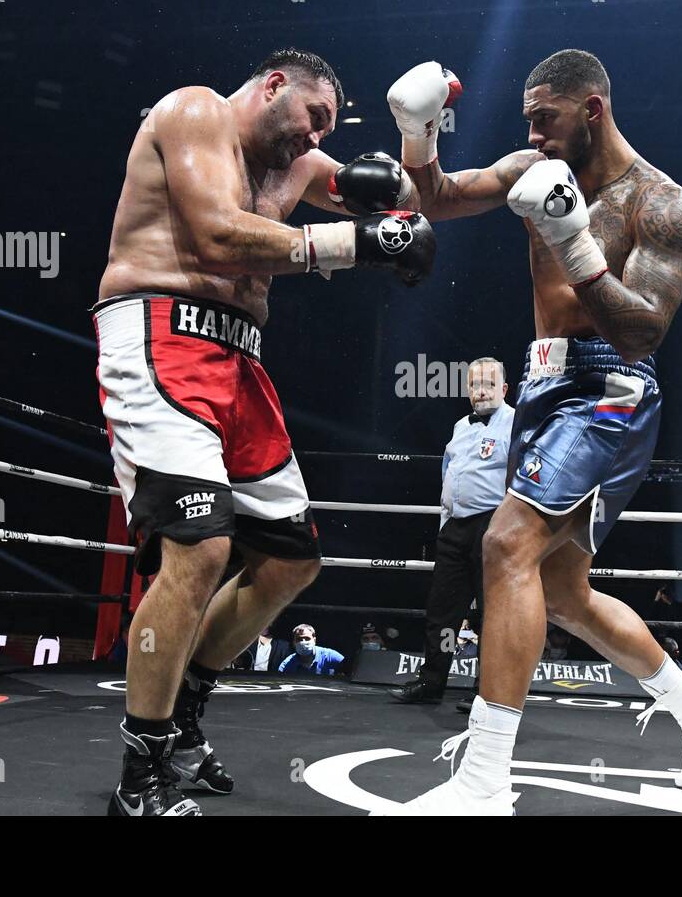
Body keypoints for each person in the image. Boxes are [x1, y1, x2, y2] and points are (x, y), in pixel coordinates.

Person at [382, 50, 682, 815]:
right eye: (527, 122)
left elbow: (643, 332)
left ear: (593, 111)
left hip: (610, 386)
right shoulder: (531, 164)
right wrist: (420, 135)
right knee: (560, 588)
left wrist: (574, 243)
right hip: (545, 383)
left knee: (506, 545)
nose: (534, 137)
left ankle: (483, 780)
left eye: (545, 119)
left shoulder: (661, 203)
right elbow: (437, 199)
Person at [95, 48, 437, 816]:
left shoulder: (306, 165)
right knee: (202, 548)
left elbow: (410, 205)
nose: (316, 141)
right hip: (159, 334)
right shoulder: (195, 112)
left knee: (291, 560)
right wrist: (357, 246)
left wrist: (423, 139)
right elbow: (217, 236)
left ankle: (183, 709)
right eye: (314, 119)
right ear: (276, 86)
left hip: (240, 360)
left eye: (326, 131)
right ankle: (139, 774)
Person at [392, 357, 513, 704]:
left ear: (503, 389)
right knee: (442, 609)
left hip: (492, 526)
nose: (481, 391)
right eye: (475, 385)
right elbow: (450, 475)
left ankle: (486, 692)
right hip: (454, 527)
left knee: (491, 611)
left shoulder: (516, 423)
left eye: (489, 384)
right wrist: (446, 520)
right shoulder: (461, 426)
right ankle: (431, 682)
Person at [278, 624, 346, 675]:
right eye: (299, 639)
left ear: (314, 640)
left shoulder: (330, 657)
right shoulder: (287, 665)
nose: (303, 642)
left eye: (307, 638)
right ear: (293, 642)